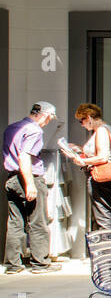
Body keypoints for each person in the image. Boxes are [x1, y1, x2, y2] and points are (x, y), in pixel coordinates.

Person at [4, 102, 60, 274]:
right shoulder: (35, 130)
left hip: (11, 178)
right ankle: (40, 263)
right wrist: (29, 184)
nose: (48, 122)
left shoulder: (12, 127)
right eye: (50, 118)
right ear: (44, 114)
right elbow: (24, 157)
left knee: (15, 222)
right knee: (38, 222)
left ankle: (13, 265)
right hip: (30, 177)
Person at [64, 103, 111, 232]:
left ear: (89, 118)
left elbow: (102, 157)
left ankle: (109, 247)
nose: (82, 125)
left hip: (100, 178)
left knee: (103, 216)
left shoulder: (101, 130)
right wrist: (78, 149)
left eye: (81, 121)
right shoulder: (106, 129)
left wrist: (82, 161)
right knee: (102, 213)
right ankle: (107, 246)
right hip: (105, 178)